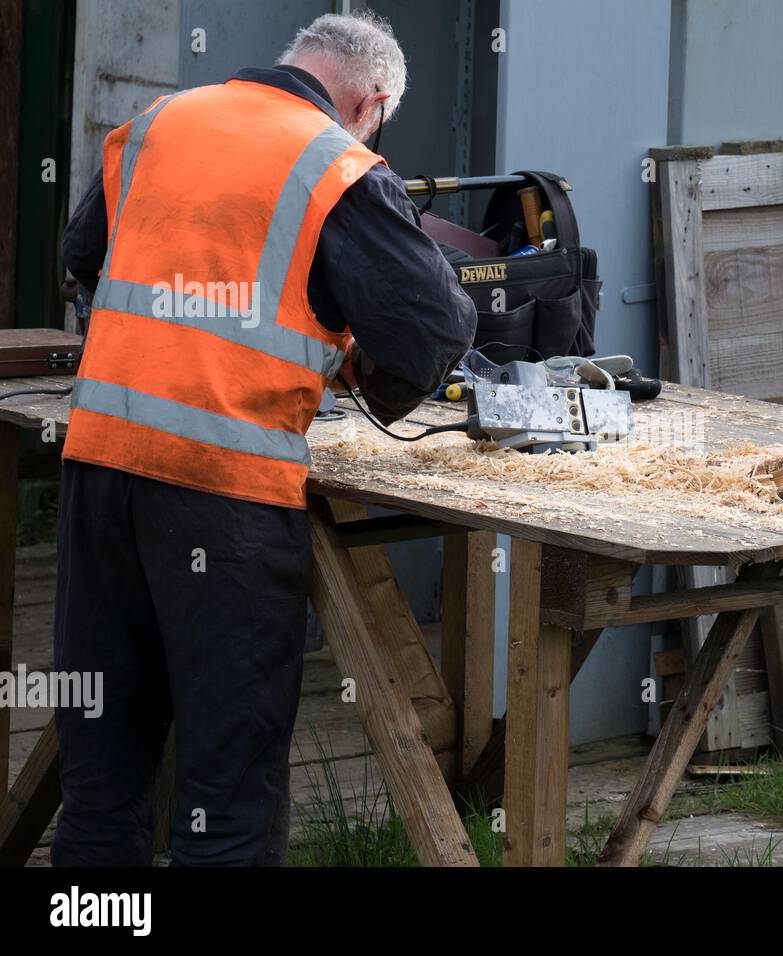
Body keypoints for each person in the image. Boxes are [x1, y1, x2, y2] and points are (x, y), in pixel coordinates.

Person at [54, 10, 475, 866]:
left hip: (99, 473)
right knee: (228, 796)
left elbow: (81, 252)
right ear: (370, 101)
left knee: (101, 782)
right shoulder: (338, 163)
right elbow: (435, 328)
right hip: (226, 498)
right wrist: (359, 374)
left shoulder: (159, 123)